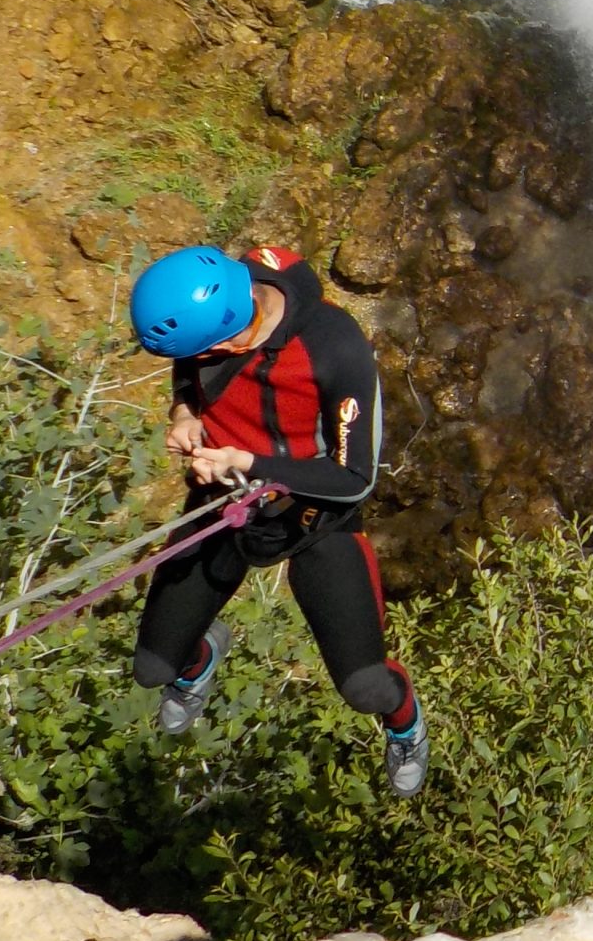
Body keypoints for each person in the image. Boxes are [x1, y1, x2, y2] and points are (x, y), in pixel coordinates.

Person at [124, 243, 428, 797]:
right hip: (224, 500)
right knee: (153, 667)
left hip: (316, 516)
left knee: (364, 686)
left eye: (204, 352)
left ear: (227, 338)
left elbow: (355, 477)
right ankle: (203, 656)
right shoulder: (217, 312)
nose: (197, 363)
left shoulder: (334, 347)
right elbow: (187, 369)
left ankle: (405, 724)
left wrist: (250, 462)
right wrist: (185, 412)